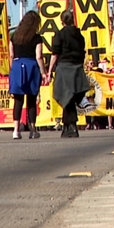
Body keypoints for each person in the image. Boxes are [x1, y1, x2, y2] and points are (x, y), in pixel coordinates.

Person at [47, 9, 89, 138]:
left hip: (64, 68)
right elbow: (83, 53)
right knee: (69, 98)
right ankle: (68, 126)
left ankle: (71, 126)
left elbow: (55, 54)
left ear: (62, 21)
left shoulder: (59, 35)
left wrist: (49, 71)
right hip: (77, 68)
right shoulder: (79, 35)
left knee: (66, 96)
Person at [8, 10, 46, 140]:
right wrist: (43, 72)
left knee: (18, 100)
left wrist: (11, 70)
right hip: (31, 66)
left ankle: (16, 130)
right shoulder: (36, 38)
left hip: (17, 66)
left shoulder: (14, 36)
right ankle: (32, 129)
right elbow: (39, 56)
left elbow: (11, 55)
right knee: (31, 100)